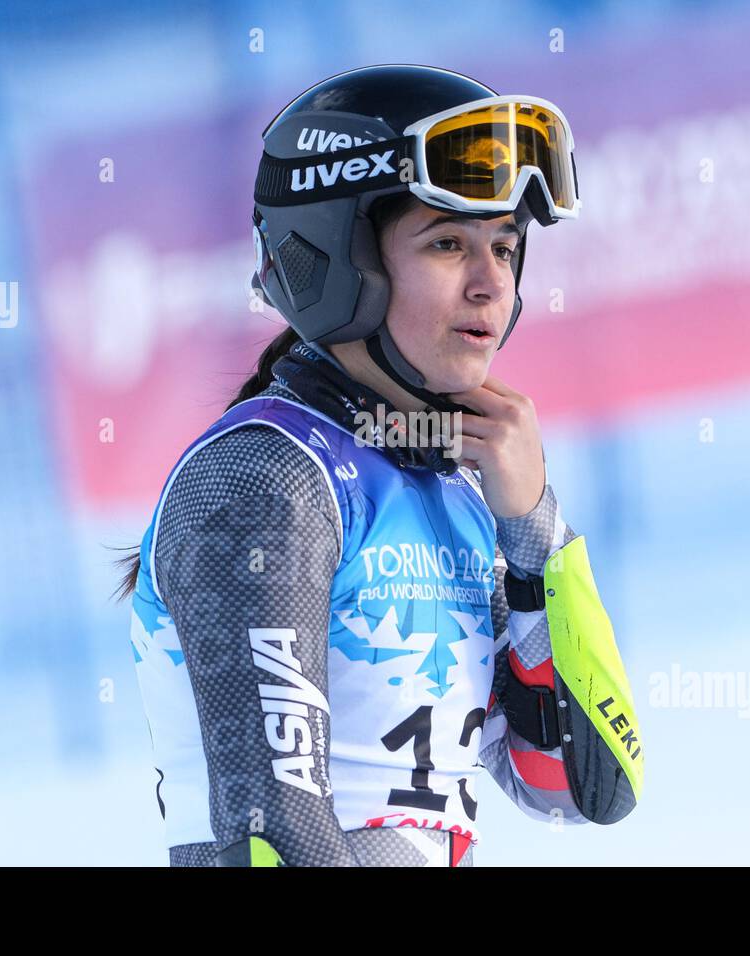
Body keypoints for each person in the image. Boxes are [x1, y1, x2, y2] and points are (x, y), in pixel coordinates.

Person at [115, 64, 644, 867]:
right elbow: (272, 838)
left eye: (505, 247)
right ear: (337, 263)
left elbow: (581, 787)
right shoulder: (265, 480)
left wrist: (536, 534)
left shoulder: (456, 488)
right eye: (446, 244)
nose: (490, 283)